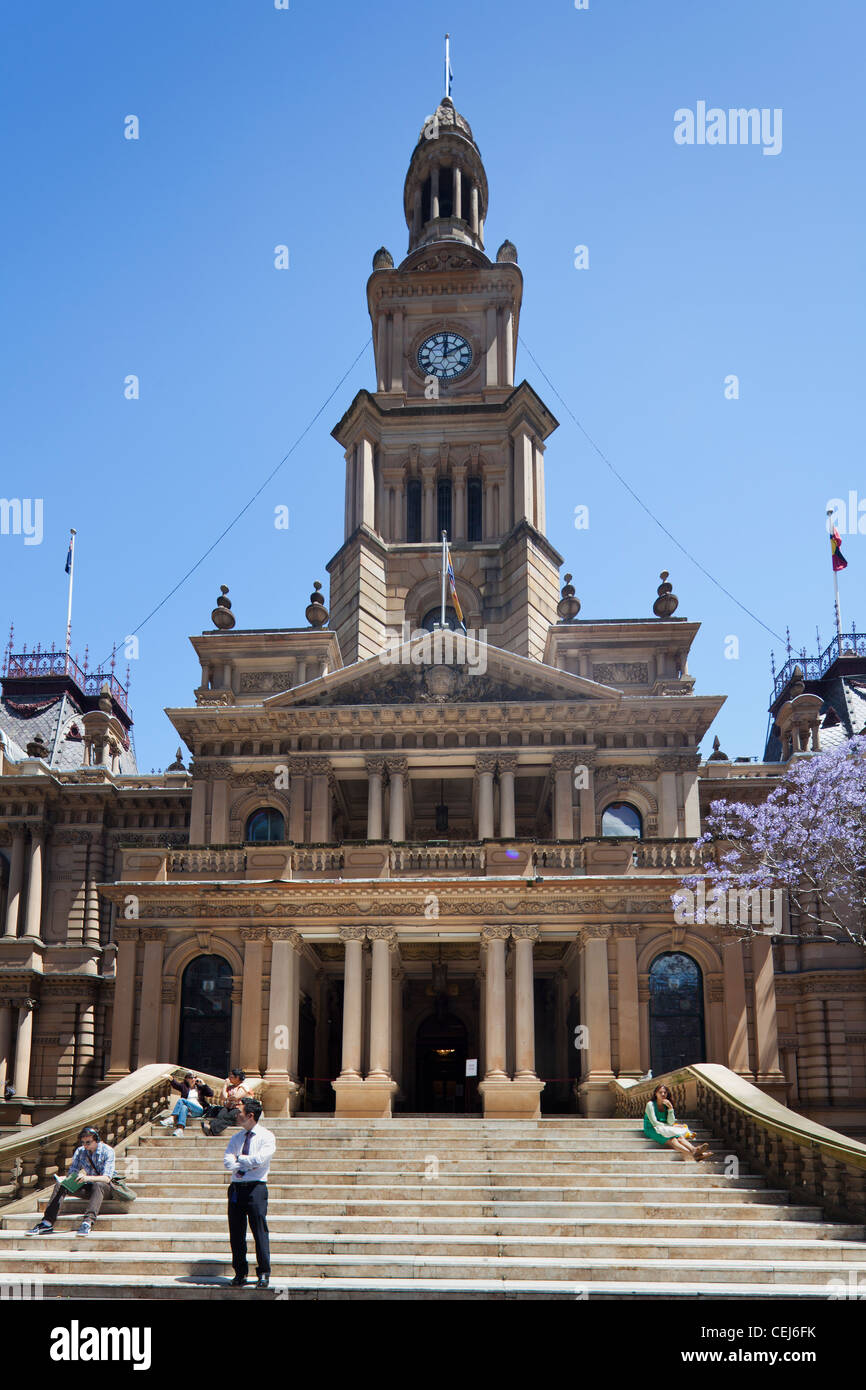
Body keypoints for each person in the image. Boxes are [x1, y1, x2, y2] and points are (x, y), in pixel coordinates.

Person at [223, 1098, 275, 1289]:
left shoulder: (267, 1136)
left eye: (240, 1112)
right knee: (236, 1233)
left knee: (259, 1231)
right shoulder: (236, 1138)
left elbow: (260, 1160)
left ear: (250, 1115)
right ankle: (240, 1272)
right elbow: (228, 1161)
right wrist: (245, 1162)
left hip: (256, 1188)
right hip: (237, 1188)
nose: (237, 1115)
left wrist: (240, 1159)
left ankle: (263, 1272)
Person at [27, 1126, 116, 1237]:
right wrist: (68, 1179)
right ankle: (47, 1222)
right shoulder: (80, 1151)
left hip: (105, 1189)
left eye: (88, 1142)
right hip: (88, 1186)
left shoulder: (108, 1151)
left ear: (97, 1140)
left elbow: (107, 1178)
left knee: (99, 1184)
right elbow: (72, 1171)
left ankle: (87, 1222)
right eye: (82, 1142)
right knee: (61, 1184)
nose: (85, 1145)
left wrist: (87, 1178)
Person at [643, 1083, 711, 1161]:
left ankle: (694, 1150)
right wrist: (670, 1126)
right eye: (660, 1092)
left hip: (664, 1128)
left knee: (679, 1137)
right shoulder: (650, 1104)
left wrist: (670, 1108)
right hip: (652, 1129)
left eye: (665, 1092)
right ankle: (694, 1154)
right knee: (673, 1140)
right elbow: (654, 1122)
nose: (663, 1094)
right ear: (655, 1094)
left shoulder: (666, 1104)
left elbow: (671, 1122)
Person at [202, 1068, 253, 1137]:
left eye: (231, 1076)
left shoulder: (244, 1086)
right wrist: (225, 1085)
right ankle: (211, 1129)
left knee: (229, 1116)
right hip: (229, 1107)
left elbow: (236, 1097)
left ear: (237, 1077)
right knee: (221, 1114)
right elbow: (222, 1098)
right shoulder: (230, 1087)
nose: (229, 1078)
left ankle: (211, 1129)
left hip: (241, 1110)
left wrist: (228, 1098)